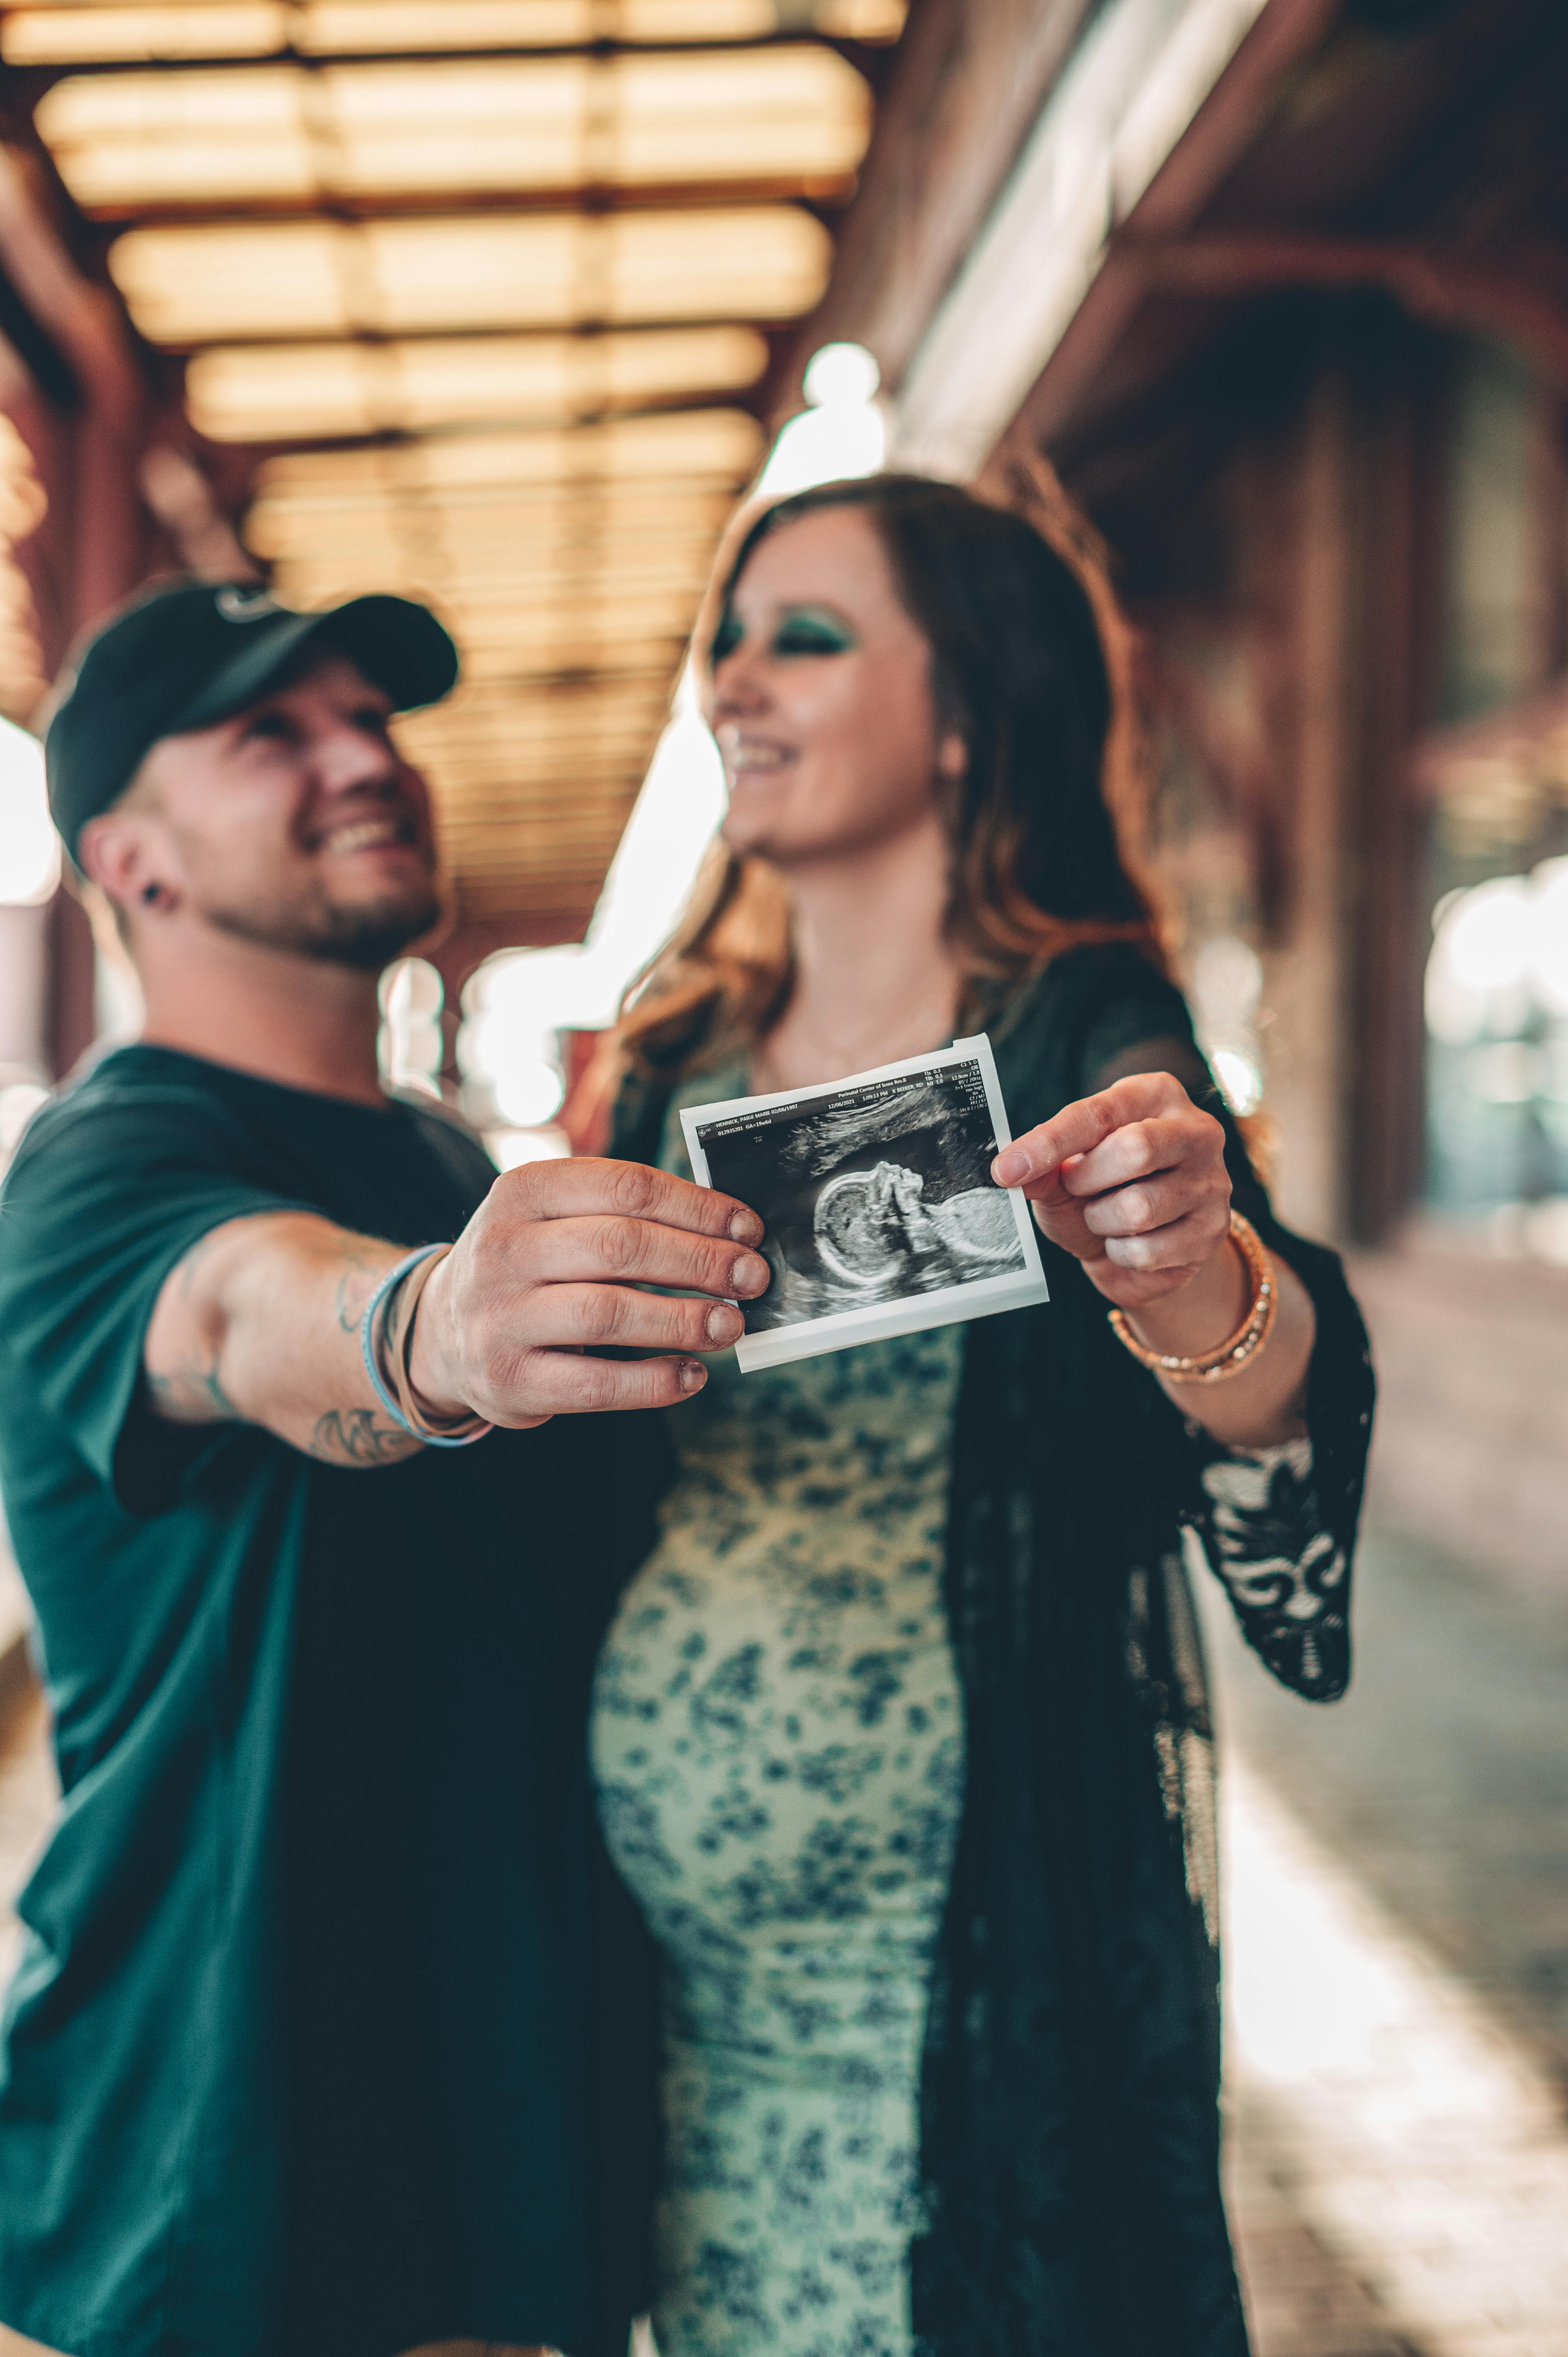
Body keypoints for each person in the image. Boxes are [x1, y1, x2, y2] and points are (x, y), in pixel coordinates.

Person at [587, 472, 1375, 2357]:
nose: (733, 683)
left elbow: (1278, 1399)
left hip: (955, 2002)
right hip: (668, 2004)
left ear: (961, 718)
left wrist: (1190, 1269)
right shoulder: (663, 1062)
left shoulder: (1088, 1030)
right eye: (727, 639)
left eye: (807, 636)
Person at [0, 578, 772, 2357]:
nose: (365, 757)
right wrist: (430, 1331)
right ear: (134, 865)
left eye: (371, 716)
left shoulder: (445, 1162)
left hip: (519, 2135)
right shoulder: (107, 1161)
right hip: (241, 2166)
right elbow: (240, 1312)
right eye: (273, 731)